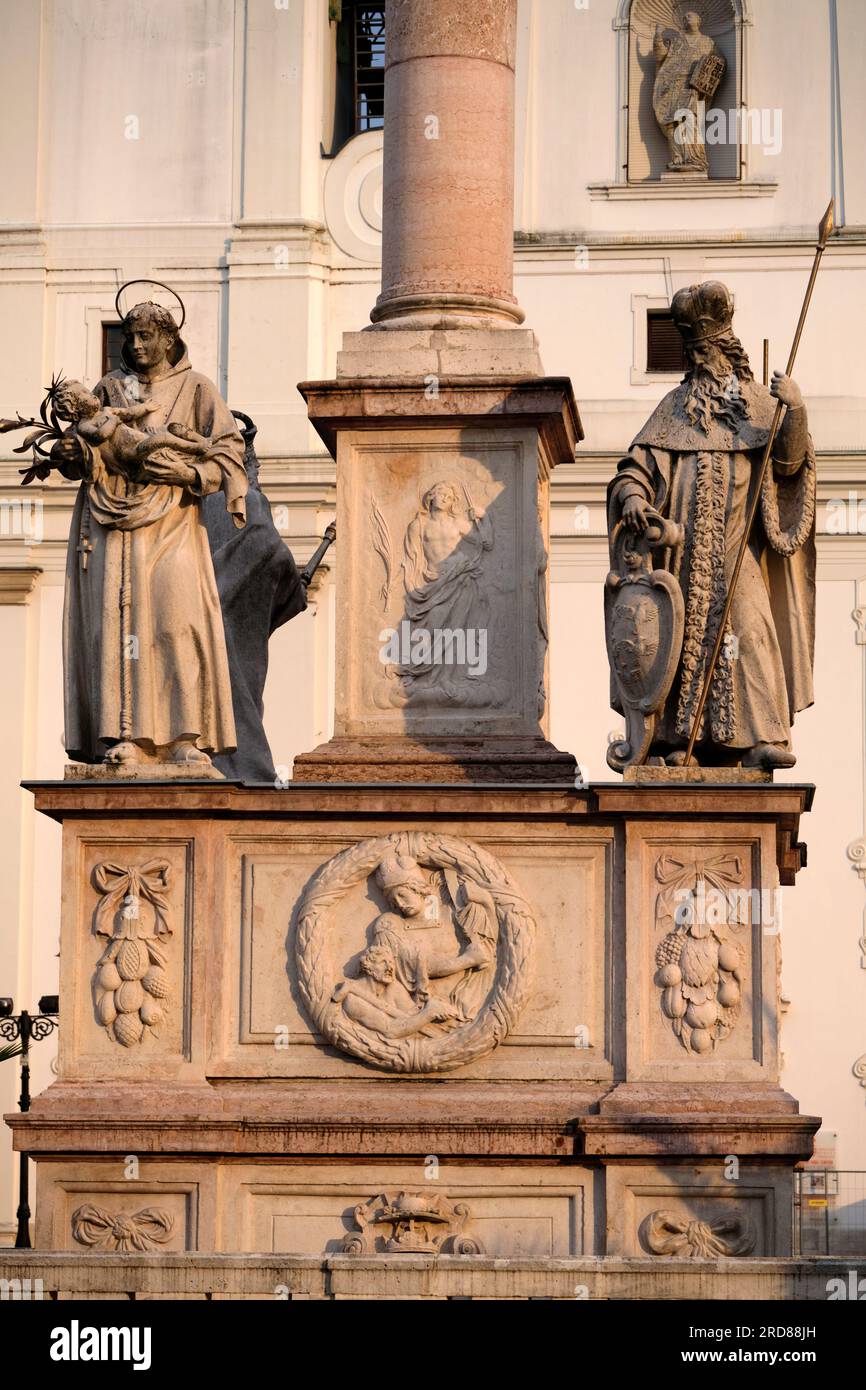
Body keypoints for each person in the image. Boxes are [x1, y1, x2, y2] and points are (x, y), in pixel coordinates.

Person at [607, 281, 815, 770]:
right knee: (681, 642)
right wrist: (635, 497)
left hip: (737, 554)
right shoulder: (673, 410)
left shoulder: (759, 405)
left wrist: (796, 410)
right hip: (678, 555)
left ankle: (759, 737)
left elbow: (788, 466)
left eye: (705, 349)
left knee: (750, 630)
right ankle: (677, 741)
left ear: (725, 349)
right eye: (691, 350)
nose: (698, 359)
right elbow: (633, 470)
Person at [55, 301, 247, 770]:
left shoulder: (197, 388)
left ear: (168, 338)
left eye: (146, 336)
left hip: (174, 523)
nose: (137, 346)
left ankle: (184, 737)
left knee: (176, 624)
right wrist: (69, 454)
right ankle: (127, 738)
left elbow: (228, 453)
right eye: (130, 337)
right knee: (120, 628)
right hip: (112, 529)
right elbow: (87, 453)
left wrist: (186, 473)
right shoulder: (108, 389)